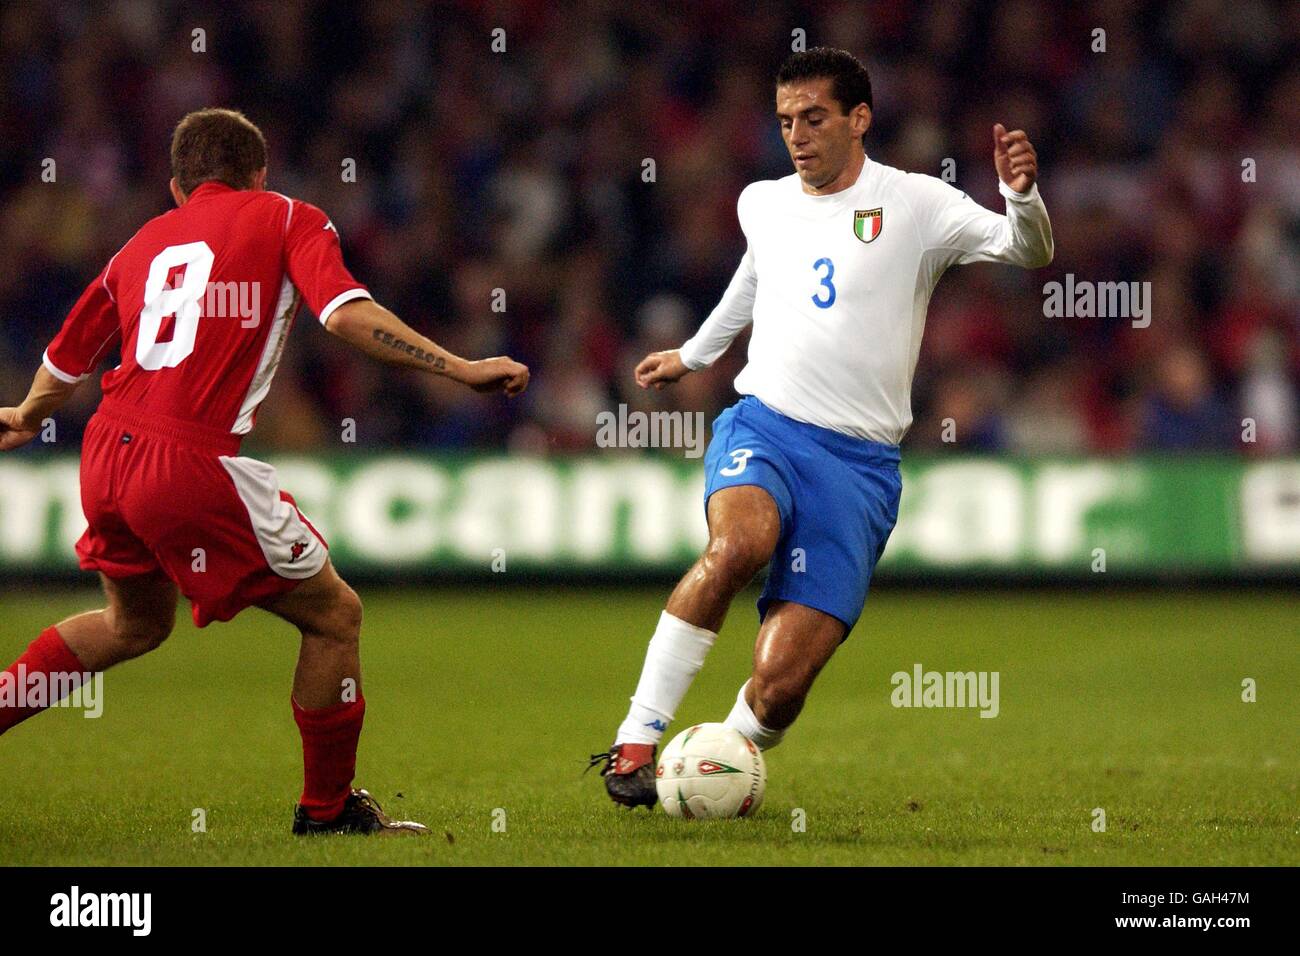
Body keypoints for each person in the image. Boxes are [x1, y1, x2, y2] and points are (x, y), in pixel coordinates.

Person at [0, 108, 529, 835]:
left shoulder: (141, 242)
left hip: (104, 452)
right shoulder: (287, 216)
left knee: (131, 624)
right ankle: (327, 811)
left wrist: (28, 415)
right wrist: (460, 366)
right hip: (188, 458)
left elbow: (68, 356)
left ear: (178, 186)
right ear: (258, 172)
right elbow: (345, 315)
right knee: (334, 615)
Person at [592, 48, 1052, 807]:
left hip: (860, 467)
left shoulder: (916, 205)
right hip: (767, 424)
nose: (797, 136)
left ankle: (719, 758)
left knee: (779, 690)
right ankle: (635, 742)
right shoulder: (762, 201)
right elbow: (754, 277)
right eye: (784, 122)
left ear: (859, 118)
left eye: (813, 118)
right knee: (739, 543)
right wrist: (695, 354)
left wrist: (1021, 194)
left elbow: (1026, 250)